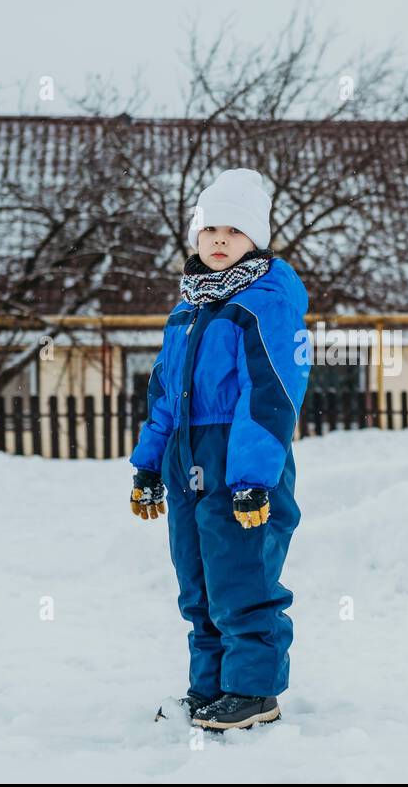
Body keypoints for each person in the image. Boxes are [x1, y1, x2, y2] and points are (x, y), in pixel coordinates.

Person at [130, 168, 310, 732]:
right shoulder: (187, 310)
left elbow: (271, 392)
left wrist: (253, 474)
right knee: (197, 578)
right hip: (188, 454)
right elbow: (164, 393)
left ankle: (254, 691)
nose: (219, 240)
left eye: (234, 230)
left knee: (242, 573)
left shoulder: (265, 302)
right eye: (211, 229)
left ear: (256, 238)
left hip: (240, 456)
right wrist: (149, 464)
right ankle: (209, 687)